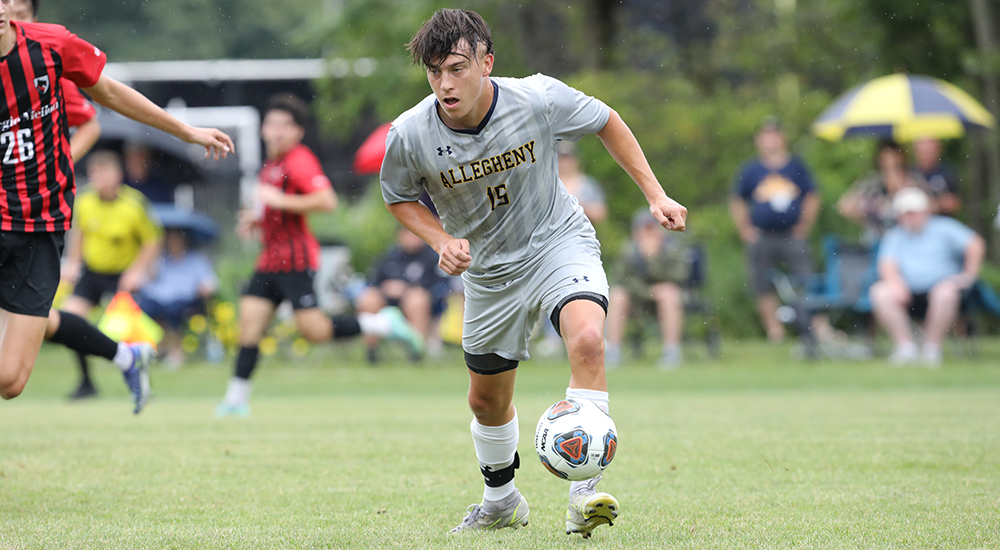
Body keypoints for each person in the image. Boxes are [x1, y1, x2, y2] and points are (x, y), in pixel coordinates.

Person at [380, 9, 686, 538]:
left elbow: (606, 120)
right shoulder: (410, 133)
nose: (445, 84)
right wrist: (441, 241)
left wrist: (655, 194)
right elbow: (398, 196)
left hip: (557, 243)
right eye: (434, 72)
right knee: (486, 400)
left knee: (587, 339)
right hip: (488, 274)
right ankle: (501, 502)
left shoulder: (537, 98)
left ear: (486, 63)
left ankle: (584, 494)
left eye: (456, 68)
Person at [0, 6, 234, 408]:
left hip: (40, 227)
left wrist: (185, 131)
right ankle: (124, 358)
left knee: (10, 380)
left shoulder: (50, 47)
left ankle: (126, 356)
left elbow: (105, 96)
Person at [215, 94, 423, 417]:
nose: (277, 131)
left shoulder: (298, 160)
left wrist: (279, 202)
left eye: (285, 125)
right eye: (272, 124)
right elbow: (275, 206)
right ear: (263, 129)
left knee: (314, 331)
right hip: (269, 261)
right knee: (249, 327)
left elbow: (327, 201)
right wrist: (258, 220)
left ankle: (382, 322)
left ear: (298, 132)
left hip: (294, 261)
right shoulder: (271, 165)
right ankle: (235, 400)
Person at [6, 0, 161, 415]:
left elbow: (92, 116)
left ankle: (123, 360)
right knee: (52, 320)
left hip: (54, 235)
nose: (10, 16)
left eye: (18, 11)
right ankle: (122, 360)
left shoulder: (46, 58)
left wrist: (51, 165)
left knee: (27, 350)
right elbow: (81, 230)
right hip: (61, 253)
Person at [60, 150, 163, 399]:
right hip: (92, 272)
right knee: (71, 318)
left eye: (105, 173)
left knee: (127, 330)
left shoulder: (134, 203)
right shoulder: (85, 202)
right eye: (95, 173)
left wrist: (136, 272)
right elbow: (79, 234)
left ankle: (141, 381)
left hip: (122, 276)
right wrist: (73, 263)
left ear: (118, 175)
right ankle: (87, 383)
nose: (100, 179)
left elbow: (152, 240)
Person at [869, 188, 985, 367]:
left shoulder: (945, 227)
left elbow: (975, 244)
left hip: (942, 286)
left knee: (945, 293)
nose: (909, 217)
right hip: (908, 291)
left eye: (913, 212)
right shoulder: (895, 235)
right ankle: (905, 347)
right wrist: (896, 284)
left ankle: (932, 348)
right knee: (880, 292)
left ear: (924, 211)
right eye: (905, 213)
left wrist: (968, 275)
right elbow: (887, 264)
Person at [729, 117, 819, 343]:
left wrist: (804, 226)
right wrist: (745, 229)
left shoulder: (796, 166)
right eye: (765, 135)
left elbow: (812, 196)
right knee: (761, 282)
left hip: (791, 234)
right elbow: (737, 199)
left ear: (783, 138)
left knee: (805, 278)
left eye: (774, 135)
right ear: (758, 140)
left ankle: (813, 326)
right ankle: (774, 330)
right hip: (762, 235)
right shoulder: (751, 170)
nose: (770, 140)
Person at [10, 0, 101, 163]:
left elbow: (90, 125)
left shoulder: (48, 72)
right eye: (9, 16)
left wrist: (59, 165)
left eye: (22, 16)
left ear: (34, 22)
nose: (15, 23)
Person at [605, 210, 688, 370]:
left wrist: (653, 260)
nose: (649, 235)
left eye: (652, 229)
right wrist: (647, 291)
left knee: (669, 295)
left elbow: (680, 276)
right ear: (636, 233)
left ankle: (671, 353)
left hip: (665, 301)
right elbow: (622, 279)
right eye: (644, 230)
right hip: (637, 300)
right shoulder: (628, 252)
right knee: (617, 296)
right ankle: (613, 352)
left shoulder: (672, 249)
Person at [355, 226, 452, 364]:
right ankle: (371, 351)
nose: (410, 238)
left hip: (420, 302)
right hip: (388, 300)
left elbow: (441, 286)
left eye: (413, 234)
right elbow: (372, 282)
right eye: (406, 234)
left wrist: (408, 288)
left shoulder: (432, 257)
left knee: (417, 299)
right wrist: (385, 288)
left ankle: (416, 350)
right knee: (369, 299)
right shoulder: (389, 257)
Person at [137, 228, 219, 368]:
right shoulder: (160, 259)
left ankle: (175, 352)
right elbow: (146, 281)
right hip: (159, 297)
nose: (173, 243)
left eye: (176, 239)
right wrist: (150, 266)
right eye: (170, 240)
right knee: (144, 309)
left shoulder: (196, 259)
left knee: (173, 311)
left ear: (184, 240)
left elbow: (211, 282)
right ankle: (154, 348)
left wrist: (205, 288)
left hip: (185, 298)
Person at [838, 139, 931, 245]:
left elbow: (930, 207)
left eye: (894, 159)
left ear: (901, 157)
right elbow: (845, 206)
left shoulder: (914, 179)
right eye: (885, 158)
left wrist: (902, 190)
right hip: (877, 241)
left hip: (910, 241)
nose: (889, 162)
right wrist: (867, 211)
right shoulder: (872, 182)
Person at [558, 141, 608, 224]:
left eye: (568, 159)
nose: (565, 163)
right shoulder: (551, 184)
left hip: (582, 229)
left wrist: (578, 206)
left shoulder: (588, 184)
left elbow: (600, 214)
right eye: (562, 159)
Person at [913, 137, 961, 217]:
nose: (927, 155)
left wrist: (934, 205)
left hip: (942, 221)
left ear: (938, 150)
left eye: (930, 151)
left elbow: (955, 203)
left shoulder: (947, 172)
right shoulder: (909, 172)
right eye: (924, 152)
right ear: (916, 152)